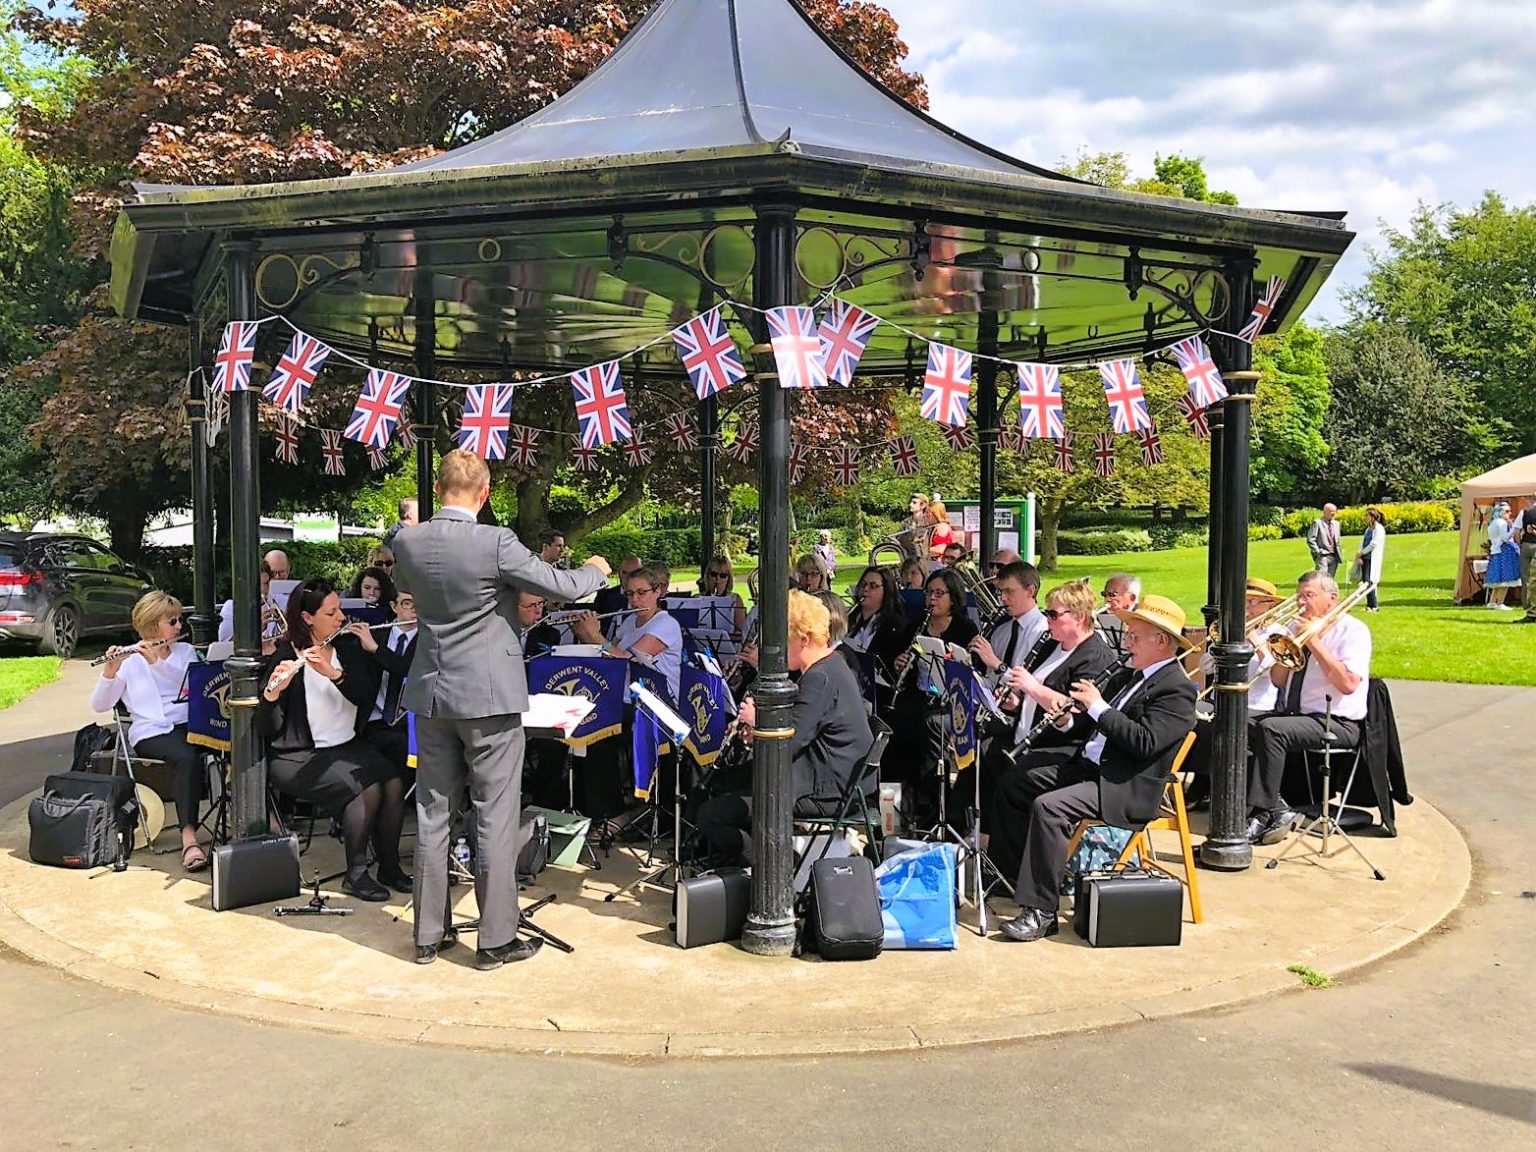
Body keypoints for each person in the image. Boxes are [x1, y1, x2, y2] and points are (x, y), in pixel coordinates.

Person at [391, 449, 611, 969]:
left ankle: (427, 936)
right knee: (494, 815)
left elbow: (405, 585)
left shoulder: (409, 541)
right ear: (485, 492)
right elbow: (560, 586)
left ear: (440, 488)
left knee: (432, 813)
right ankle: (494, 941)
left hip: (432, 692)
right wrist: (595, 570)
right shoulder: (495, 542)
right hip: (488, 697)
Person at [992, 594, 1197, 943]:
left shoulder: (1177, 690)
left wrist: (1098, 706)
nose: (1127, 641)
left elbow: (1143, 742)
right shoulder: (1130, 674)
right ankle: (1013, 875)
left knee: (1050, 807)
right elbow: (1090, 727)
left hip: (1123, 785)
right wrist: (1064, 722)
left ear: (1161, 641)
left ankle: (1042, 911)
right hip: (1091, 767)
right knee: (1016, 780)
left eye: (1134, 636)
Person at [694, 592, 873, 866]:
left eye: (783, 640)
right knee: (726, 784)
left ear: (804, 639)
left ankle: (776, 867)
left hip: (829, 790)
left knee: (711, 814)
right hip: (824, 777)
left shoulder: (821, 678)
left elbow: (788, 742)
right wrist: (755, 733)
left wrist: (757, 721)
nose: (776, 648)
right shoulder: (827, 667)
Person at [259, 579, 407, 902]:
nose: (341, 617)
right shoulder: (287, 654)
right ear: (307, 618)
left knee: (394, 781)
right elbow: (266, 728)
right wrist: (272, 694)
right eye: (332, 611)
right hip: (299, 755)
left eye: (339, 609)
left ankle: (390, 866)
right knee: (365, 787)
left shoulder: (346, 649)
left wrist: (334, 674)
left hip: (346, 746)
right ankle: (355, 874)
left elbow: (365, 695)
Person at [967, 580, 1116, 831]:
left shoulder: (1094, 657)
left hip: (1060, 749)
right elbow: (1033, 695)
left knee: (1011, 783)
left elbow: (1074, 717)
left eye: (1054, 614)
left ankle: (1008, 856)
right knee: (982, 756)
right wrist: (1017, 701)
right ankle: (980, 835)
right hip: (1025, 736)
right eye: (1048, 613)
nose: (1048, 619)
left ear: (1079, 617)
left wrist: (1030, 687)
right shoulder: (1051, 644)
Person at [1246, 571, 1371, 844]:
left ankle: (1265, 812)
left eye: (1309, 596)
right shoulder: (1295, 628)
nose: (1301, 603)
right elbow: (1279, 680)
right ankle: (1269, 805)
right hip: (1299, 717)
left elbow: (1348, 684)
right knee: (1239, 724)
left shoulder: (1353, 631)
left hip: (1337, 721)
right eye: (1299, 595)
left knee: (1271, 730)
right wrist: (1286, 646)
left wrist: (1312, 641)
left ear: (1332, 598)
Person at [90, 591, 208, 871]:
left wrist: (158, 663)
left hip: (190, 724)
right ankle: (189, 836)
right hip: (151, 732)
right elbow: (99, 705)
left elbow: (192, 687)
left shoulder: (185, 653)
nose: (180, 626)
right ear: (153, 625)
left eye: (179, 620)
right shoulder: (129, 662)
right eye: (173, 621)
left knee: (234, 743)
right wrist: (110, 671)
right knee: (186, 757)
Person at [887, 567, 979, 817]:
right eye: (929, 593)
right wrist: (900, 665)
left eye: (940, 593)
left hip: (950, 701)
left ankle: (933, 804)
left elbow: (972, 672)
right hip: (919, 695)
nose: (932, 599)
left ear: (954, 597)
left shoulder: (965, 628)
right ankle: (895, 806)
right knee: (893, 724)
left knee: (930, 726)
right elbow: (905, 670)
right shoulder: (917, 626)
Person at [573, 565, 682, 701]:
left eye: (641, 593)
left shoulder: (666, 624)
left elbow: (626, 659)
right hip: (624, 696)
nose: (634, 599)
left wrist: (595, 635)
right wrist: (583, 632)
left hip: (655, 702)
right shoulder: (631, 620)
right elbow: (608, 654)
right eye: (630, 594)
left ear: (657, 592)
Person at [353, 587, 419, 777]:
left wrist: (375, 650)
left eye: (418, 604)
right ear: (394, 606)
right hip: (371, 722)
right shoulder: (376, 635)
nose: (414, 609)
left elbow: (406, 669)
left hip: (407, 726)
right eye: (407, 603)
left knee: (402, 761)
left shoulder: (428, 641)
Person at [968, 560, 1048, 693]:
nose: (1003, 599)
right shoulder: (1001, 631)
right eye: (1000, 592)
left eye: (1009, 591)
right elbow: (991, 681)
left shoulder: (1043, 631)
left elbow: (1034, 688)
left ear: (1030, 591)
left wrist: (996, 664)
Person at [843, 565, 910, 700]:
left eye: (873, 586)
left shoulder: (896, 625)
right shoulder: (850, 617)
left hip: (877, 694)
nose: (865, 589)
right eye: (863, 584)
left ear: (886, 591)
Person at [219, 560, 283, 651]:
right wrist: (255, 630)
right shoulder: (231, 608)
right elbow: (224, 647)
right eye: (259, 585)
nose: (265, 588)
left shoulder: (277, 601)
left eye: (267, 583)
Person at [698, 554, 749, 638]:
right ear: (707, 575)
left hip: (727, 644)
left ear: (728, 578)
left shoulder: (735, 599)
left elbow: (742, 630)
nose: (718, 579)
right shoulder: (697, 599)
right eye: (713, 574)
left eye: (723, 575)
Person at [1485, 501, 1522, 611]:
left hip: (1496, 551)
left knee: (1498, 578)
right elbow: (1505, 538)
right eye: (1507, 511)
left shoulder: (1493, 523)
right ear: (1500, 512)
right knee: (1505, 578)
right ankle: (1500, 603)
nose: (1509, 513)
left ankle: (1492, 602)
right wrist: (1514, 528)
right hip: (1504, 551)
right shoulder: (1501, 523)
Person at [1095, 573, 1140, 657]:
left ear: (1131, 598)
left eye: (1113, 595)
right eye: (1105, 594)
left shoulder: (1142, 618)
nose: (1107, 599)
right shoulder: (1101, 616)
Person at [1355, 507, 1386, 611]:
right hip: (1365, 558)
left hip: (1372, 558)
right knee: (1365, 581)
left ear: (1373, 517)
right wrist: (1360, 554)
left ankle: (1374, 605)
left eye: (1367, 516)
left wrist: (1362, 553)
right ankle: (1369, 605)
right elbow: (1363, 543)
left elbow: (1373, 544)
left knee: (1370, 581)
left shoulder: (1379, 529)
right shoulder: (1368, 529)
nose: (1365, 518)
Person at [516, 591, 561, 655]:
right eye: (531, 606)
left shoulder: (550, 635)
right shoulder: (499, 631)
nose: (538, 611)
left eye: (540, 603)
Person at [1307, 504, 1343, 576]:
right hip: (1322, 555)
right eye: (1331, 511)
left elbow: (1337, 540)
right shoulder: (1317, 523)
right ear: (1325, 512)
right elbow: (1311, 539)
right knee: (1322, 577)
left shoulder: (1336, 524)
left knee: (1330, 579)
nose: (1333, 513)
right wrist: (1317, 552)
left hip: (1334, 556)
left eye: (1334, 511)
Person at [1517, 499, 1536, 625]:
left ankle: (1530, 610)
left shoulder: (1526, 512)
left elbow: (1518, 531)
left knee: (1527, 579)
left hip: (1526, 545)